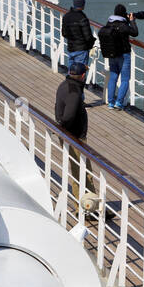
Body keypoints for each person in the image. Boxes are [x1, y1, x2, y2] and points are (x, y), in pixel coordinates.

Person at [54, 65, 93, 213]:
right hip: (74, 137)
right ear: (83, 76)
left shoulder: (64, 85)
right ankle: (83, 207)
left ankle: (92, 202)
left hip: (70, 135)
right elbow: (69, 116)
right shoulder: (74, 92)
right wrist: (67, 131)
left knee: (84, 171)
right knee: (82, 172)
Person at [99, 4, 139, 110]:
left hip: (112, 54)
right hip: (124, 55)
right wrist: (132, 21)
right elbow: (135, 32)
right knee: (125, 79)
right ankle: (119, 102)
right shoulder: (123, 26)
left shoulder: (109, 23)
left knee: (113, 77)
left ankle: (110, 103)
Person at [61, 0, 95, 74]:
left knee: (71, 73)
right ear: (83, 4)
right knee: (80, 74)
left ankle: (69, 86)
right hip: (81, 50)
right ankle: (77, 86)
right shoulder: (82, 17)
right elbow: (88, 36)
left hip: (71, 48)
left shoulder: (67, 16)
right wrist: (90, 44)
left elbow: (64, 33)